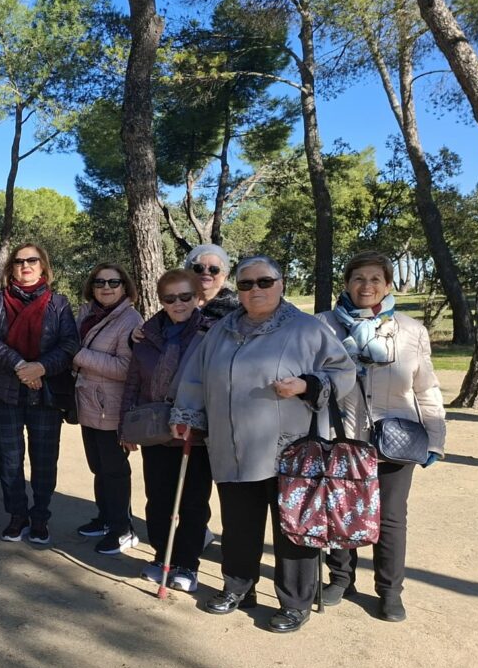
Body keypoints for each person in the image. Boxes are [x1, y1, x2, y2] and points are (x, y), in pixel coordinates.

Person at [172, 255, 356, 633]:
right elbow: (194, 377)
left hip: (292, 448)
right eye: (245, 284)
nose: (254, 290)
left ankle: (295, 601)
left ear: (281, 283)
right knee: (238, 524)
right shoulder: (220, 330)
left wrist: (308, 384)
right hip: (233, 444)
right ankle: (239, 587)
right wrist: (187, 416)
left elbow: (343, 372)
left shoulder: (308, 329)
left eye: (264, 282)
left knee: (293, 526)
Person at [316, 250, 447, 622]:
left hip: (396, 437)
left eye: (375, 279)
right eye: (358, 278)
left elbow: (426, 388)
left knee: (390, 518)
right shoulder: (324, 326)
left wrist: (435, 438)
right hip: (340, 434)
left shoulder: (411, 330)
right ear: (346, 283)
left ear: (388, 285)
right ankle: (341, 578)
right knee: (340, 510)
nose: (367, 286)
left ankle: (390, 591)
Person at [0, 242, 79, 546]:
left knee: (44, 460)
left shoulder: (58, 303)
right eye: (19, 262)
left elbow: (69, 345)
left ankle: (40, 518)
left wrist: (41, 368)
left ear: (43, 266)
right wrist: (20, 365)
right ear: (12, 269)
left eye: (32, 260)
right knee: (9, 459)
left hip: (45, 393)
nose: (26, 265)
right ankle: (17, 515)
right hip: (3, 391)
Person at [120, 268, 212, 592]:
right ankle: (163, 556)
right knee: (157, 498)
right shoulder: (147, 334)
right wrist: (125, 428)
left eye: (185, 296)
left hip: (195, 435)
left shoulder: (209, 332)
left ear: (197, 297)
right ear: (161, 301)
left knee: (192, 502)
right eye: (170, 298)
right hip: (154, 430)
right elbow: (132, 383)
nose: (178, 304)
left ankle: (188, 563)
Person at [74, 262, 143, 556]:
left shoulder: (130, 320)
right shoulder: (86, 313)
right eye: (100, 282)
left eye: (113, 283)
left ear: (125, 287)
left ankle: (122, 529)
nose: (106, 287)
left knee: (114, 469)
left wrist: (78, 355)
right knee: (98, 467)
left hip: (111, 405)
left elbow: (126, 368)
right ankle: (105, 518)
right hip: (88, 401)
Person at [185, 243, 239, 322]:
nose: (206, 272)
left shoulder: (235, 311)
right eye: (199, 268)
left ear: (225, 276)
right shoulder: (178, 303)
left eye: (214, 269)